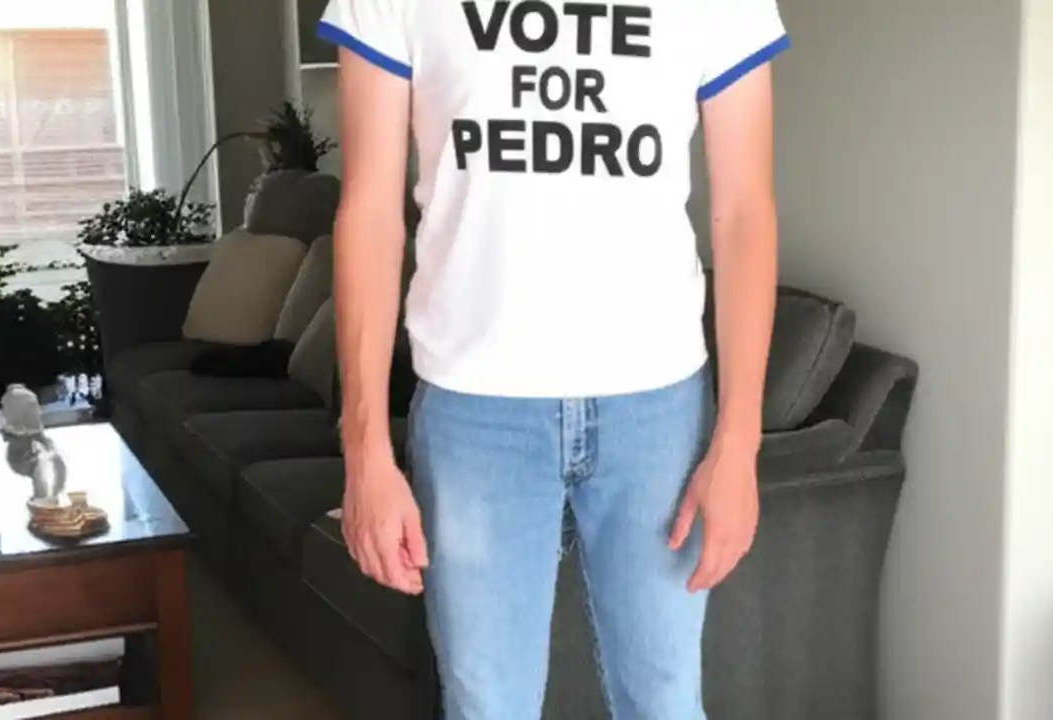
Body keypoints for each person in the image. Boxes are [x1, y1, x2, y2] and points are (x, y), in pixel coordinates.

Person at [320, 0, 786, 717]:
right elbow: (370, 210)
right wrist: (365, 451)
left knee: (664, 700)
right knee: (486, 705)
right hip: (473, 407)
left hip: (656, 400)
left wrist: (739, 442)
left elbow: (745, 210)